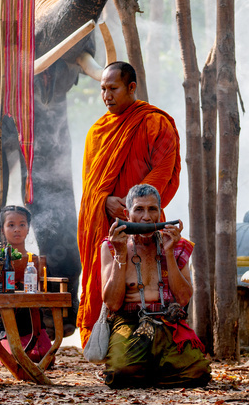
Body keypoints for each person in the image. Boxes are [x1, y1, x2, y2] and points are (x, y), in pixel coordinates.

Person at [77, 61, 181, 345]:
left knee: (145, 284)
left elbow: (163, 171)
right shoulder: (97, 132)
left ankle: (154, 332)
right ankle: (104, 339)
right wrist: (104, 201)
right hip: (106, 225)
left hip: (144, 224)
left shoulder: (155, 123)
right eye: (102, 89)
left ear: (131, 87)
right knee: (106, 280)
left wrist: (131, 208)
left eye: (113, 88)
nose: (106, 96)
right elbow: (89, 188)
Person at [99, 184, 209, 388]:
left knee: (199, 373)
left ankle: (147, 370)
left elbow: (184, 298)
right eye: (139, 209)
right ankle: (151, 370)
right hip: (130, 322)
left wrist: (169, 253)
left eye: (152, 209)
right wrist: (121, 254)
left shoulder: (177, 245)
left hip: (168, 320)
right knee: (120, 375)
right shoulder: (111, 246)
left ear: (160, 213)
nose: (146, 217)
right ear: (127, 214)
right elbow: (112, 303)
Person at [0, 205, 52, 364]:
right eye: (11, 225)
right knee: (15, 359)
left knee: (44, 357)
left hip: (33, 325)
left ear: (28, 229)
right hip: (8, 327)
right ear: (2, 229)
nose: (17, 229)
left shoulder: (34, 260)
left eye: (22, 224)